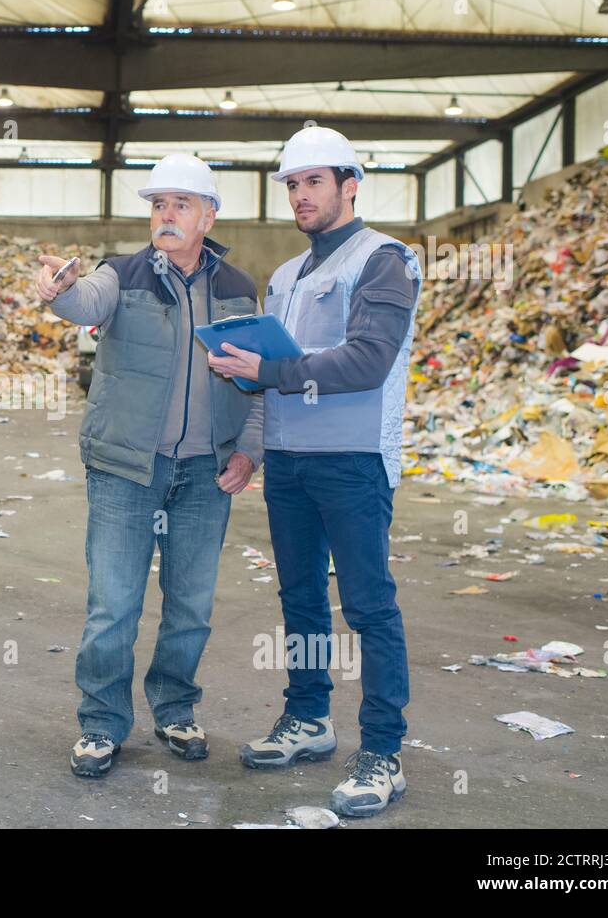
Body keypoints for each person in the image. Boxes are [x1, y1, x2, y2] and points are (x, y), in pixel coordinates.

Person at [208, 126, 421, 817]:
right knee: (300, 599)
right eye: (293, 185)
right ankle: (308, 717)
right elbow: (278, 377)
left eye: (313, 183)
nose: (300, 195)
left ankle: (383, 752)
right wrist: (246, 393)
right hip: (291, 463)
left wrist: (268, 370)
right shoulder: (285, 275)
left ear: (349, 185)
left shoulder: (384, 260)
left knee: (368, 606)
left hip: (353, 461)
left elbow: (368, 361)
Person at [36, 153, 263, 777]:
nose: (166, 214)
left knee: (191, 605)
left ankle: (175, 708)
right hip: (126, 467)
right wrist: (59, 290)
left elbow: (258, 381)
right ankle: (102, 722)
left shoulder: (238, 288)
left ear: (208, 216)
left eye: (181, 204)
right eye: (159, 204)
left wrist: (249, 451)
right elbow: (85, 302)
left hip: (206, 473)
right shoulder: (122, 273)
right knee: (113, 604)